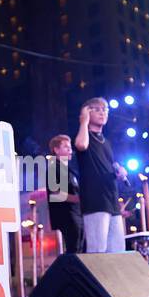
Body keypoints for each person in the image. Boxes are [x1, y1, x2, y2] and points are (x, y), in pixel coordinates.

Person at [74, 97, 127, 253]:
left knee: (117, 250)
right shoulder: (84, 136)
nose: (102, 112)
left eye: (104, 109)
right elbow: (81, 145)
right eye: (96, 109)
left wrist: (119, 173)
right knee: (98, 251)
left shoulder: (107, 142)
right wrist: (83, 122)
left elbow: (108, 166)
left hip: (111, 199)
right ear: (86, 113)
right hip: (95, 201)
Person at [45, 134, 83, 254]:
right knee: (74, 248)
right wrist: (77, 198)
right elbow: (55, 194)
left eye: (70, 147)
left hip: (77, 213)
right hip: (67, 216)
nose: (70, 150)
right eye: (66, 147)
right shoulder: (53, 167)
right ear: (56, 150)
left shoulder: (70, 170)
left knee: (80, 247)